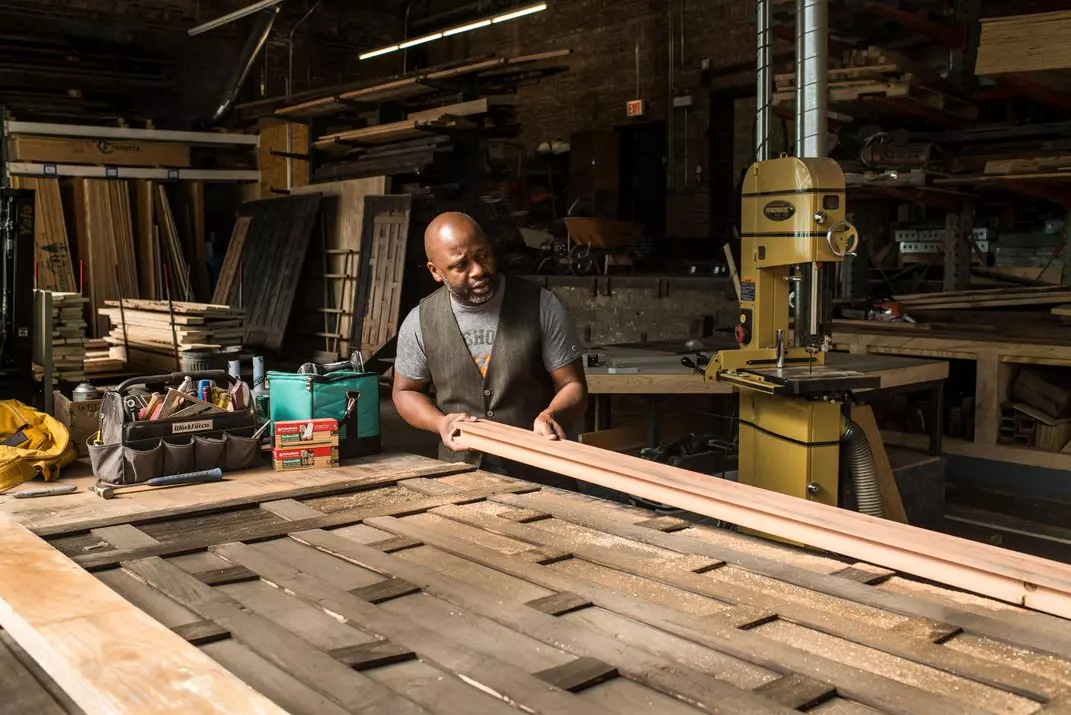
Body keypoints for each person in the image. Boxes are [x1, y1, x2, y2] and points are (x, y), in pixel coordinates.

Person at [392, 211, 587, 489]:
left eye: (483, 255)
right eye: (460, 266)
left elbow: (572, 384)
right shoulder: (421, 321)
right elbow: (405, 392)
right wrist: (440, 423)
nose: (478, 270)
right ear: (436, 271)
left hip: (541, 469)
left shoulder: (541, 305)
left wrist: (551, 415)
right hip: (459, 477)